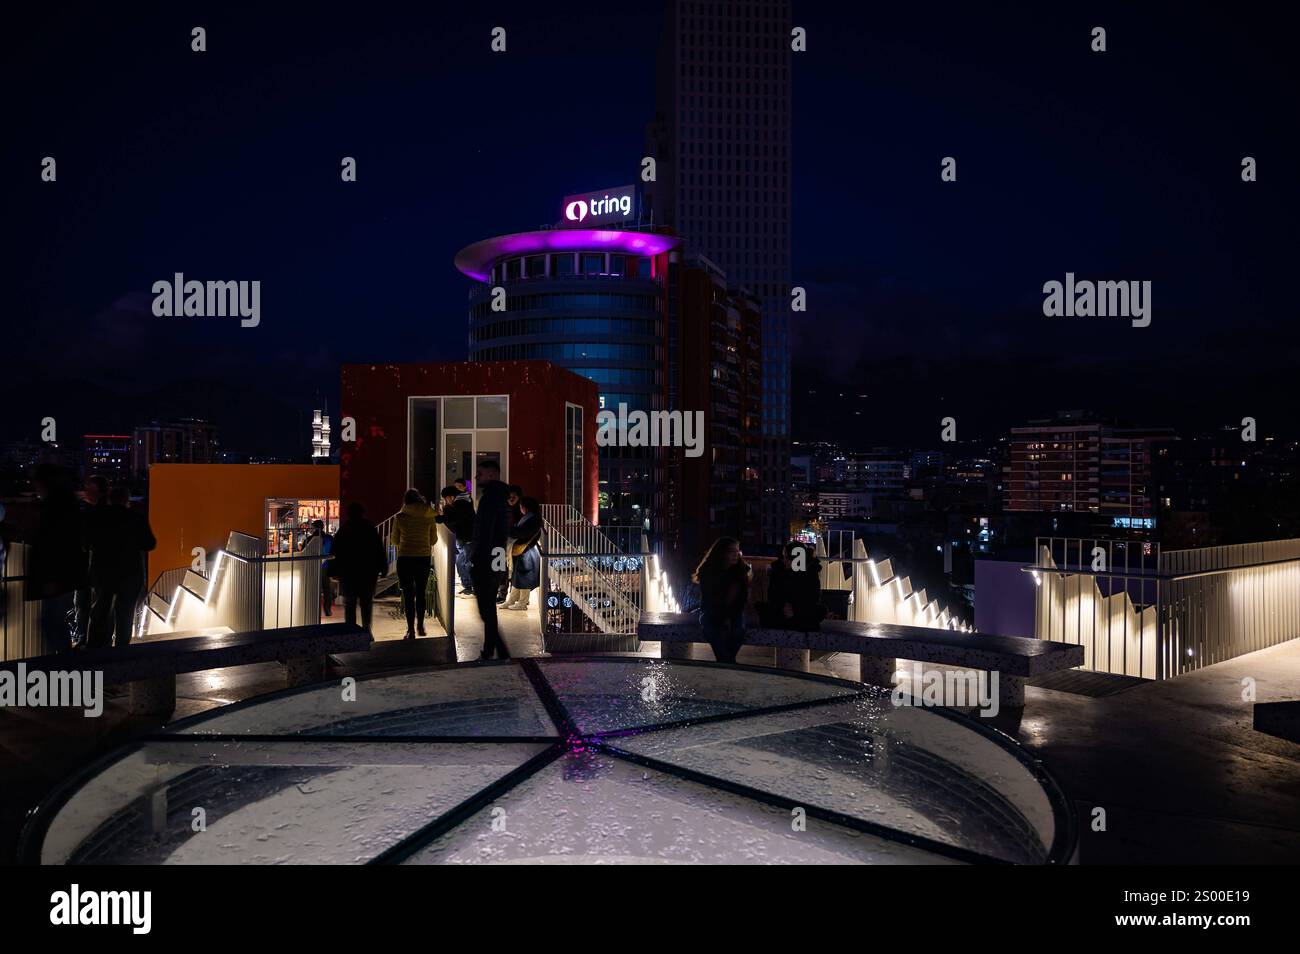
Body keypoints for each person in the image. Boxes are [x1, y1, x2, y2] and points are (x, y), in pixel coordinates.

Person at [24, 464, 88, 654]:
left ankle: (62, 669)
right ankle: (63, 667)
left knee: (51, 624)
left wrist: (52, 578)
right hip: (60, 577)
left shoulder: (56, 507)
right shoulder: (65, 504)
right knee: (53, 623)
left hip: (55, 578)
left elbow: (53, 543)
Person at [85, 486, 156, 648]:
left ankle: (100, 648)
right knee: (125, 614)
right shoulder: (136, 518)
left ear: (110, 499)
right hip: (130, 573)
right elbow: (150, 543)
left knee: (102, 611)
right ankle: (122, 651)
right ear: (127, 500)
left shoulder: (98, 518)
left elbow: (86, 543)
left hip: (103, 573)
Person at [470, 460, 511, 659]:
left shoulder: (489, 500)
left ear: (492, 475)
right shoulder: (500, 499)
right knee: (488, 609)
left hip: (486, 560)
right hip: (495, 558)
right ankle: (496, 651)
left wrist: (476, 558)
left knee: (486, 610)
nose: (477, 477)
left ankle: (496, 652)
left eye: (481, 473)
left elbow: (485, 532)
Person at [328, 502, 387, 632]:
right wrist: (383, 567)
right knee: (366, 603)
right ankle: (367, 630)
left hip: (348, 572)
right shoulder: (369, 528)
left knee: (349, 604)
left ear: (349, 514)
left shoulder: (344, 529)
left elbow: (334, 552)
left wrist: (333, 571)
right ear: (362, 512)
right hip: (368, 571)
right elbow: (379, 549)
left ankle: (351, 631)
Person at [693, 536, 751, 664]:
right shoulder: (708, 571)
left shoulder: (741, 571)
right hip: (710, 611)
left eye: (738, 551)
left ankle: (725, 663)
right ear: (722, 553)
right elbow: (709, 600)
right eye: (732, 551)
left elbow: (742, 600)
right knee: (712, 631)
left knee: (738, 631)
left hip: (735, 611)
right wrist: (722, 618)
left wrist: (730, 617)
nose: (736, 555)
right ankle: (728, 664)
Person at [389, 488, 436, 639]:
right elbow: (433, 540)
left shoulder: (400, 517)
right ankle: (421, 625)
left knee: (408, 595)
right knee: (421, 593)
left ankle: (411, 631)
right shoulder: (429, 516)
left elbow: (394, 540)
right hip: (423, 558)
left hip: (405, 558)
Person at [757, 541, 827, 631]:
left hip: (801, 612)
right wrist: (783, 605)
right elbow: (772, 594)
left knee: (819, 611)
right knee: (764, 609)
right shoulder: (778, 570)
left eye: (787, 557)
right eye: (783, 557)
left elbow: (813, 598)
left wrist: (795, 610)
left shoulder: (810, 572)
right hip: (782, 610)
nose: (783, 560)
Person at [436, 485, 476, 596]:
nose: (445, 501)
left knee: (466, 563)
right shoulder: (457, 504)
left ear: (452, 496)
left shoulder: (462, 504)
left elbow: (453, 519)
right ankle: (468, 586)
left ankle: (472, 586)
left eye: (446, 498)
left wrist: (439, 518)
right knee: (461, 563)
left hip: (469, 538)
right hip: (462, 537)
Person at [504, 496, 542, 611]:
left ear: (525, 507)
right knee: (517, 577)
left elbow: (522, 533)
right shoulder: (530, 517)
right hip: (524, 550)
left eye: (521, 506)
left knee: (524, 577)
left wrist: (508, 530)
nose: (520, 509)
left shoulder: (533, 519)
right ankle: (512, 599)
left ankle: (522, 603)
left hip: (526, 551)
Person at [498, 484, 524, 604]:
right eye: (510, 495)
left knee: (513, 569)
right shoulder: (501, 507)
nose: (512, 498)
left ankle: (514, 595)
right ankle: (501, 593)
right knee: (499, 568)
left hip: (515, 544)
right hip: (500, 542)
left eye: (515, 496)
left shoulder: (522, 510)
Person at [302, 519, 335, 616]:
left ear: (314, 527)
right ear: (323, 527)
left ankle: (313, 610)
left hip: (313, 566)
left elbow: (304, 552)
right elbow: (334, 552)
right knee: (326, 588)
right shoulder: (329, 538)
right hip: (326, 566)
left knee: (313, 588)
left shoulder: (309, 539)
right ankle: (327, 609)